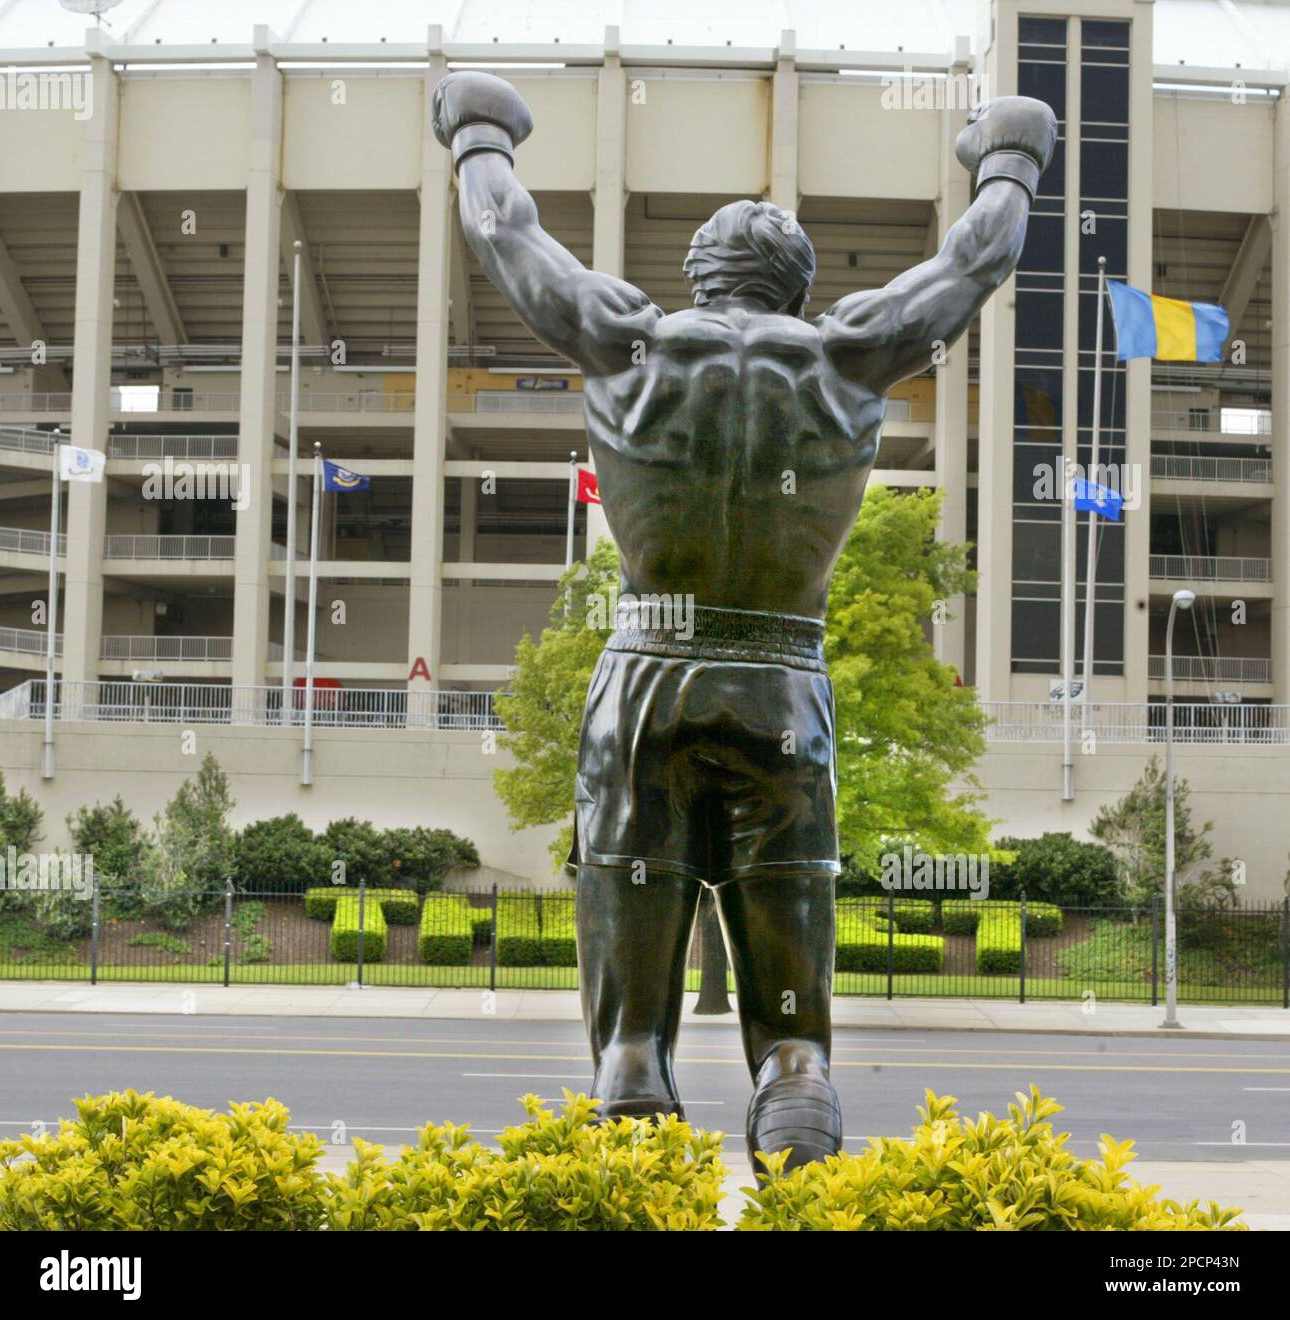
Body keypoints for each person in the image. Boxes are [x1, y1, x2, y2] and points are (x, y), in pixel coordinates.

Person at [433, 73, 1057, 1173]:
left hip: (645, 683)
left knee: (629, 1042)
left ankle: (636, 1155)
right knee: (796, 1040)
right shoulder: (845, 355)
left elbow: (506, 231)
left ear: (701, 277)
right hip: (778, 688)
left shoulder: (631, 341)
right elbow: (972, 264)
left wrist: (480, 129)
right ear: (796, 285)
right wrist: (1010, 156)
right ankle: (797, 1121)